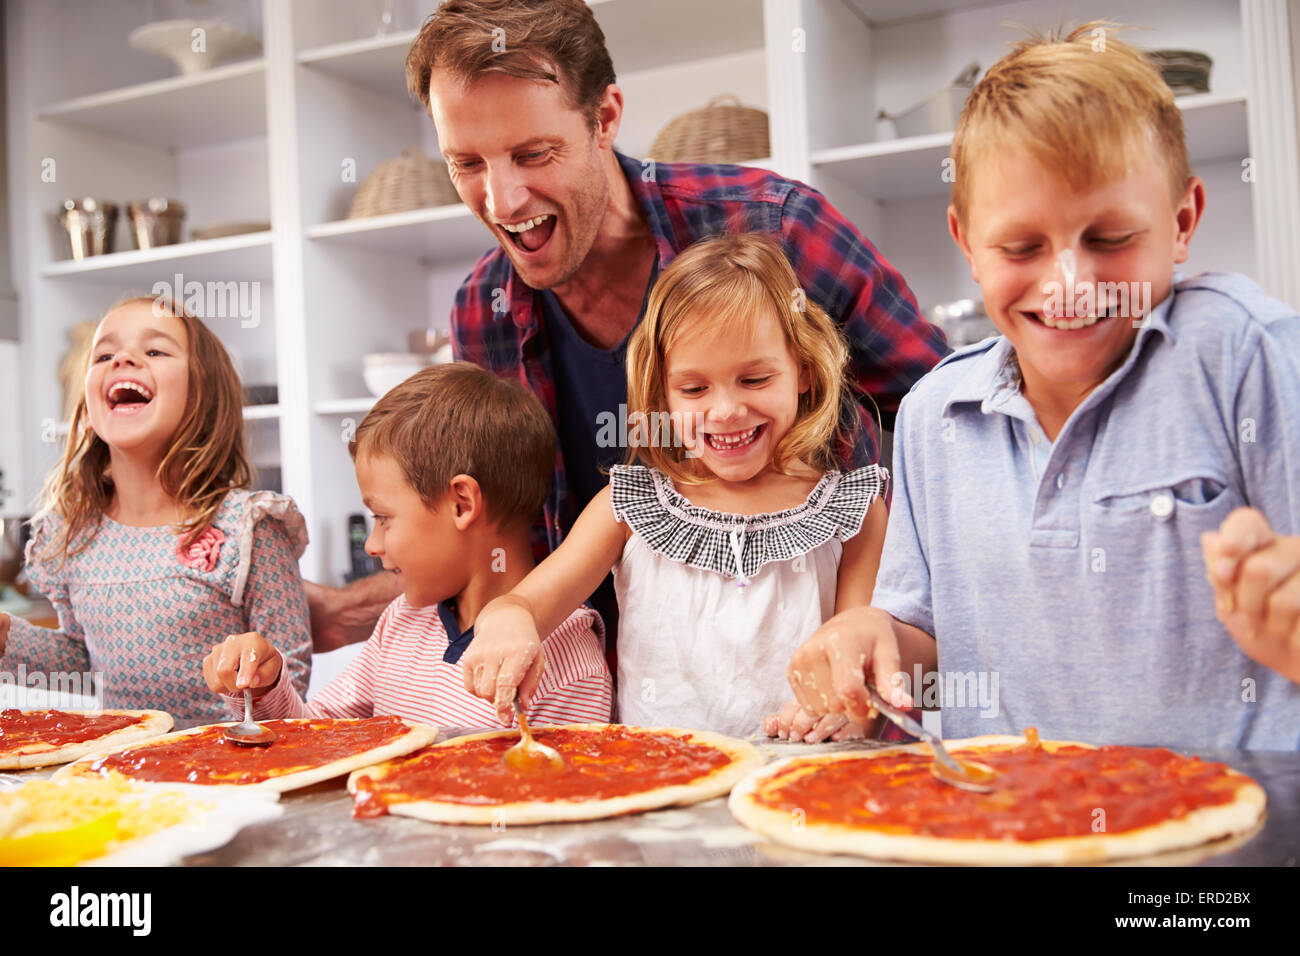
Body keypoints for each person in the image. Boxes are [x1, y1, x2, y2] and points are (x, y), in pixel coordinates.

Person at [304, 0, 948, 677]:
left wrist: (879, 610)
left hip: (821, 693)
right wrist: (353, 612)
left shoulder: (775, 230)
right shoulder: (482, 313)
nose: (502, 200)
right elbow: (501, 550)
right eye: (466, 162)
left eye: (533, 154)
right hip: (615, 699)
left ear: (605, 117)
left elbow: (950, 428)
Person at [782, 23, 1300, 750]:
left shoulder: (1246, 354)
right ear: (966, 244)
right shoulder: (936, 414)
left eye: (1110, 239)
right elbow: (936, 663)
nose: (1070, 285)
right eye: (1022, 247)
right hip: (1006, 825)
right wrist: (877, 642)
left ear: (1182, 223)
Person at [460, 233, 888, 739]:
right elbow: (525, 605)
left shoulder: (855, 511)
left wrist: (849, 707)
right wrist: (509, 620)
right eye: (694, 388)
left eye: (754, 380)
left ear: (802, 370)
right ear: (662, 392)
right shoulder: (626, 507)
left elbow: (862, 673)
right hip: (660, 786)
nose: (726, 411)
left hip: (803, 786)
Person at [203, 362, 612, 726]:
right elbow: (309, 740)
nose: (372, 545)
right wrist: (262, 688)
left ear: (461, 504)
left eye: (382, 518)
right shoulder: (400, 622)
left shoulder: (567, 662)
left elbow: (555, 800)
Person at [0, 297, 311, 722]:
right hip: (122, 771)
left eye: (154, 351)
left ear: (203, 397)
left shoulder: (249, 526)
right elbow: (83, 661)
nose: (123, 359)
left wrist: (257, 676)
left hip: (226, 773)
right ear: (88, 411)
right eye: (104, 354)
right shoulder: (72, 532)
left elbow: (289, 679)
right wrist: (5, 640)